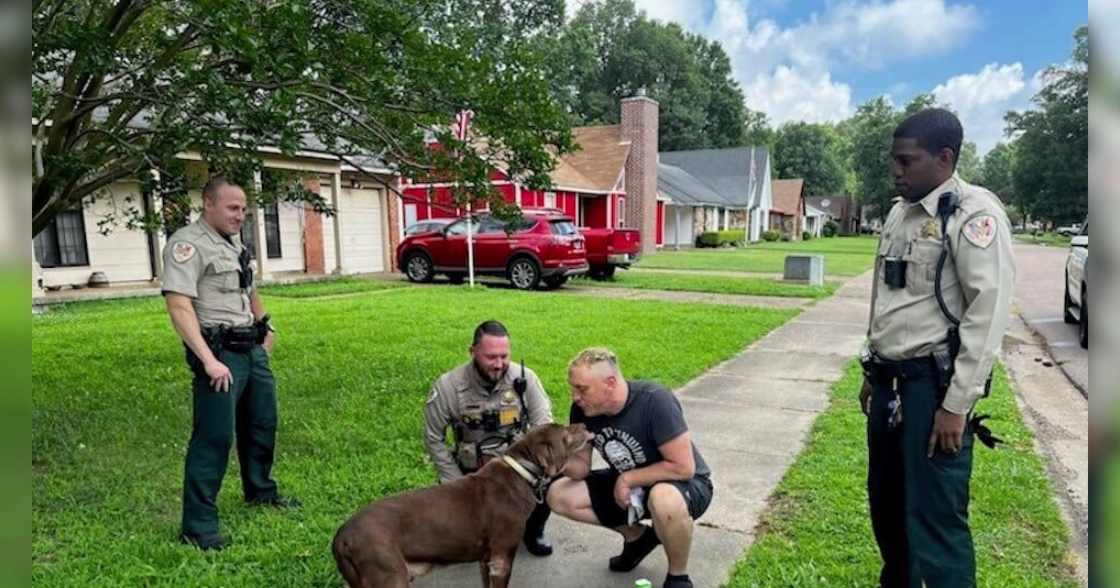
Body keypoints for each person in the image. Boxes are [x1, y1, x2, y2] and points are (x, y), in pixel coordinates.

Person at [860, 108, 1015, 587]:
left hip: (934, 390)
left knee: (935, 521)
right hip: (890, 384)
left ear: (944, 159)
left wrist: (956, 407)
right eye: (895, 160)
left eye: (907, 161)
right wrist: (872, 372)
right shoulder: (899, 212)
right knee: (887, 509)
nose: (896, 171)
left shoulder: (974, 216)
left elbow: (986, 316)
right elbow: (888, 298)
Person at [162, 177, 299, 552]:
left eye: (243, 208)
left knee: (262, 423)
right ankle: (198, 527)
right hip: (219, 353)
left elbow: (248, 286)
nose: (241, 215)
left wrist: (265, 323)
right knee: (214, 436)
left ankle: (261, 491)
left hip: (250, 348)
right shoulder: (187, 244)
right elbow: (178, 304)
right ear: (208, 205)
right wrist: (207, 361)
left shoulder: (233, 241)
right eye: (233, 208)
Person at [547, 348, 713, 588]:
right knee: (559, 493)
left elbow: (683, 468)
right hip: (630, 489)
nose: (575, 397)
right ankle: (637, 538)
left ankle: (678, 576)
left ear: (610, 383)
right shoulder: (583, 410)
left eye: (582, 389)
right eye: (573, 388)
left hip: (685, 485)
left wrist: (627, 479)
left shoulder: (655, 401)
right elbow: (581, 468)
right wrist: (556, 458)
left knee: (663, 497)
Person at [423, 320, 556, 556]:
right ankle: (475, 530)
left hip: (519, 469)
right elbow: (434, 439)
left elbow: (543, 427)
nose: (498, 364)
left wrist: (538, 470)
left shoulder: (527, 379)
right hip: (473, 472)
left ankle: (533, 531)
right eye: (491, 357)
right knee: (463, 525)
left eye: (504, 356)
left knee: (552, 482)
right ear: (472, 352)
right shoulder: (448, 387)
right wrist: (453, 481)